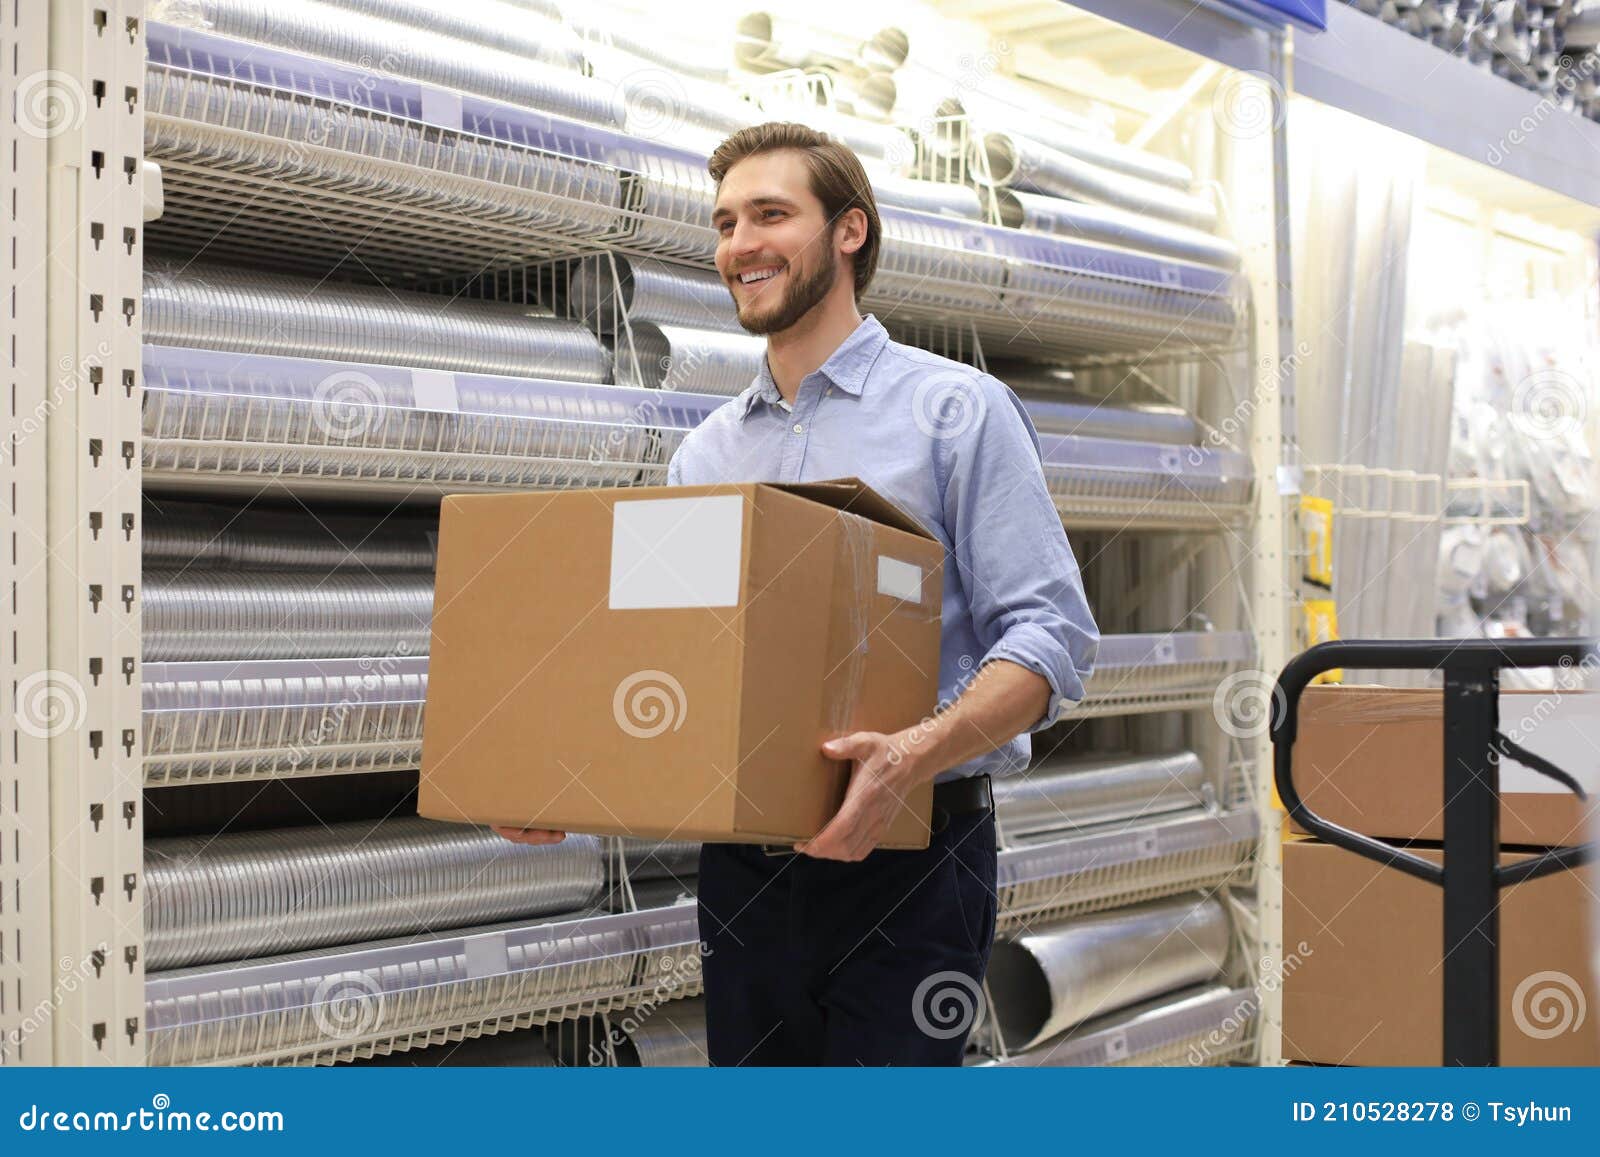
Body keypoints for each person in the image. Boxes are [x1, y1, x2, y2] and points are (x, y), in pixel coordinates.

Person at [496, 121, 1098, 1066]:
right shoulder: (708, 454)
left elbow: (1052, 636)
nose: (740, 245)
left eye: (771, 214)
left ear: (849, 231)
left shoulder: (954, 412)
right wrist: (571, 775)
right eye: (726, 222)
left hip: (913, 861)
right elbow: (668, 660)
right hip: (746, 879)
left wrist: (912, 751)